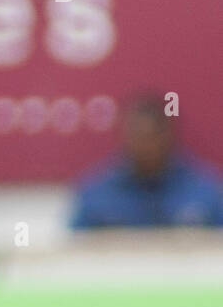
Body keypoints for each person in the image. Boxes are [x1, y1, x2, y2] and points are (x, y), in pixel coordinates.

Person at [72, 96, 223, 229]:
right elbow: (72, 250)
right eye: (138, 135)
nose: (145, 145)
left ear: (169, 135)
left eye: (152, 136)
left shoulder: (205, 190)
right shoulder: (97, 194)